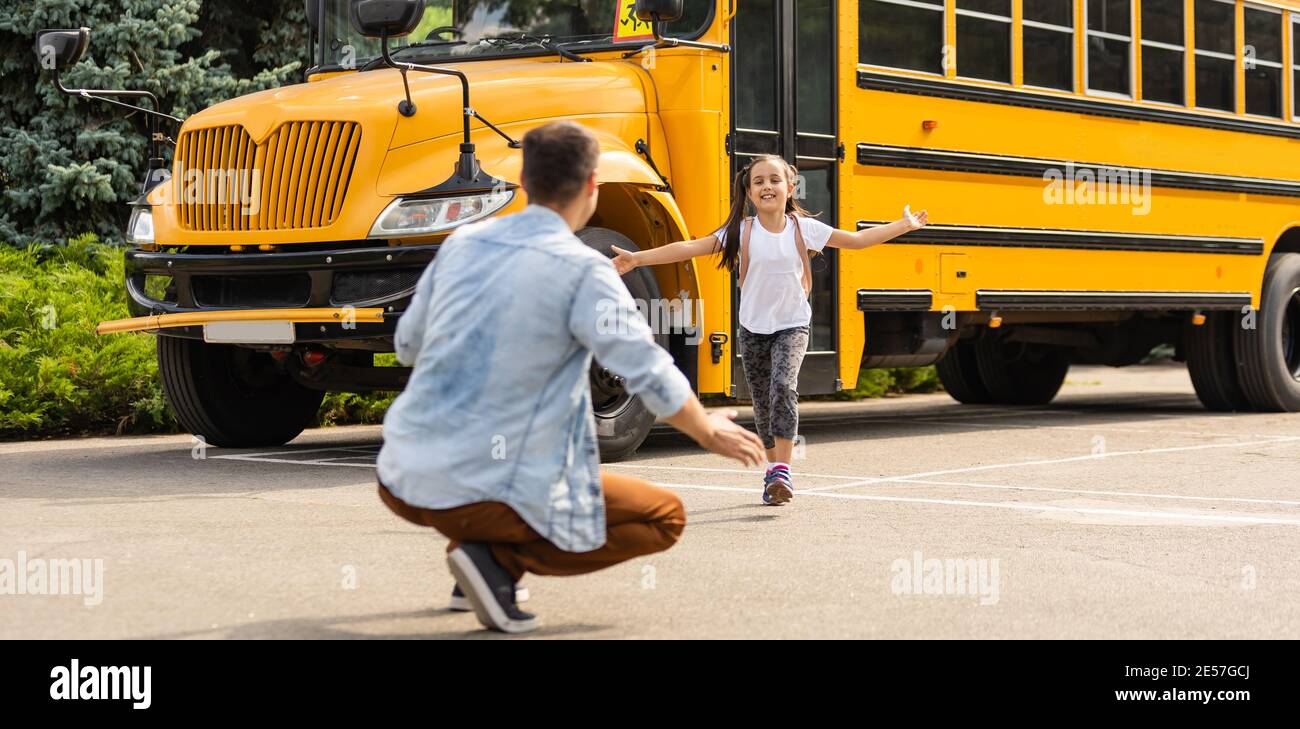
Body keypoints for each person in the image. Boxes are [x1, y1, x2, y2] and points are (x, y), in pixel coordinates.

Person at [375, 121, 766, 634]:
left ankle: (478, 554)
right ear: (591, 186)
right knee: (663, 516)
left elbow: (407, 344)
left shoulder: (462, 245)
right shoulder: (584, 269)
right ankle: (494, 563)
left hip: (401, 474)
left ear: (523, 180)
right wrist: (706, 429)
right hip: (485, 485)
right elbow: (644, 368)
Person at [613, 154, 929, 505]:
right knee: (762, 403)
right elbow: (691, 247)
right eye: (759, 181)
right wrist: (638, 258)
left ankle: (783, 471)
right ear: (749, 193)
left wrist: (903, 225)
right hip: (753, 329)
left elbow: (855, 241)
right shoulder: (741, 231)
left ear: (790, 187)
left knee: (783, 387)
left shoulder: (803, 229)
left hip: (793, 325)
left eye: (774, 180)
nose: (767, 186)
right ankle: (772, 472)